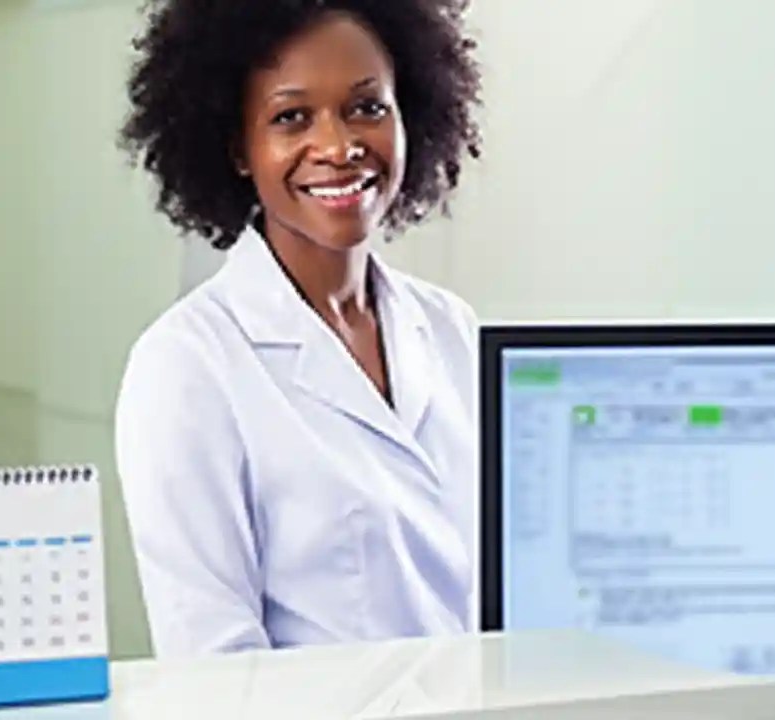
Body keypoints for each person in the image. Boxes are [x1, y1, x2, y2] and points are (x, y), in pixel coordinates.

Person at [114, 0, 483, 656]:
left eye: (367, 107)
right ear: (238, 147)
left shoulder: (452, 330)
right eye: (291, 118)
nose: (340, 146)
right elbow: (213, 668)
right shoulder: (186, 365)